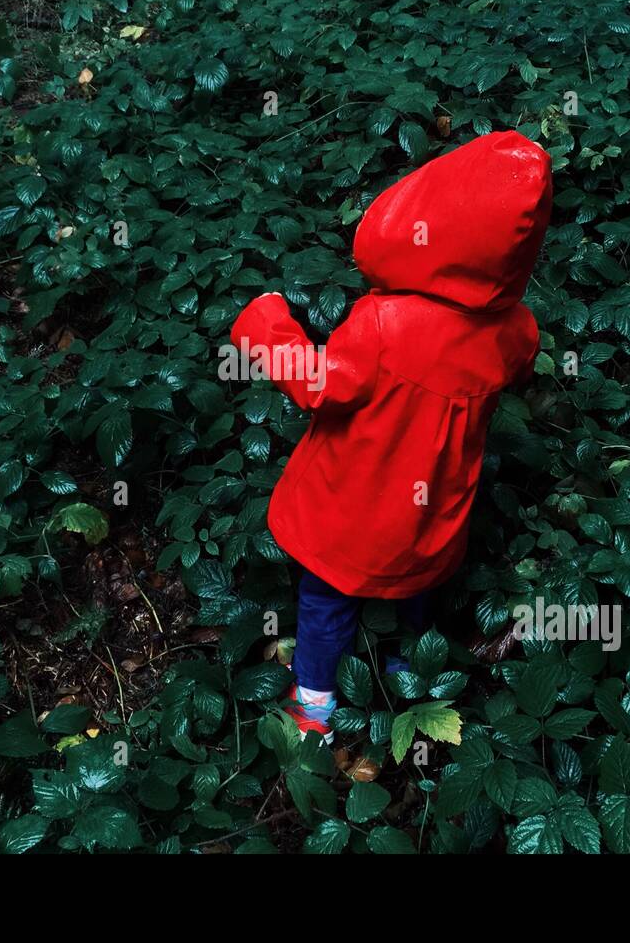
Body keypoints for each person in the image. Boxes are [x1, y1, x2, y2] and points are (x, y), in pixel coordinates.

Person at [229, 131, 552, 743]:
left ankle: (314, 714)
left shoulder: (384, 324)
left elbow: (319, 385)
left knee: (325, 604)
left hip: (354, 510)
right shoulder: (513, 332)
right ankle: (409, 687)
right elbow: (512, 361)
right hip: (431, 515)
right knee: (417, 600)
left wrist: (266, 323)